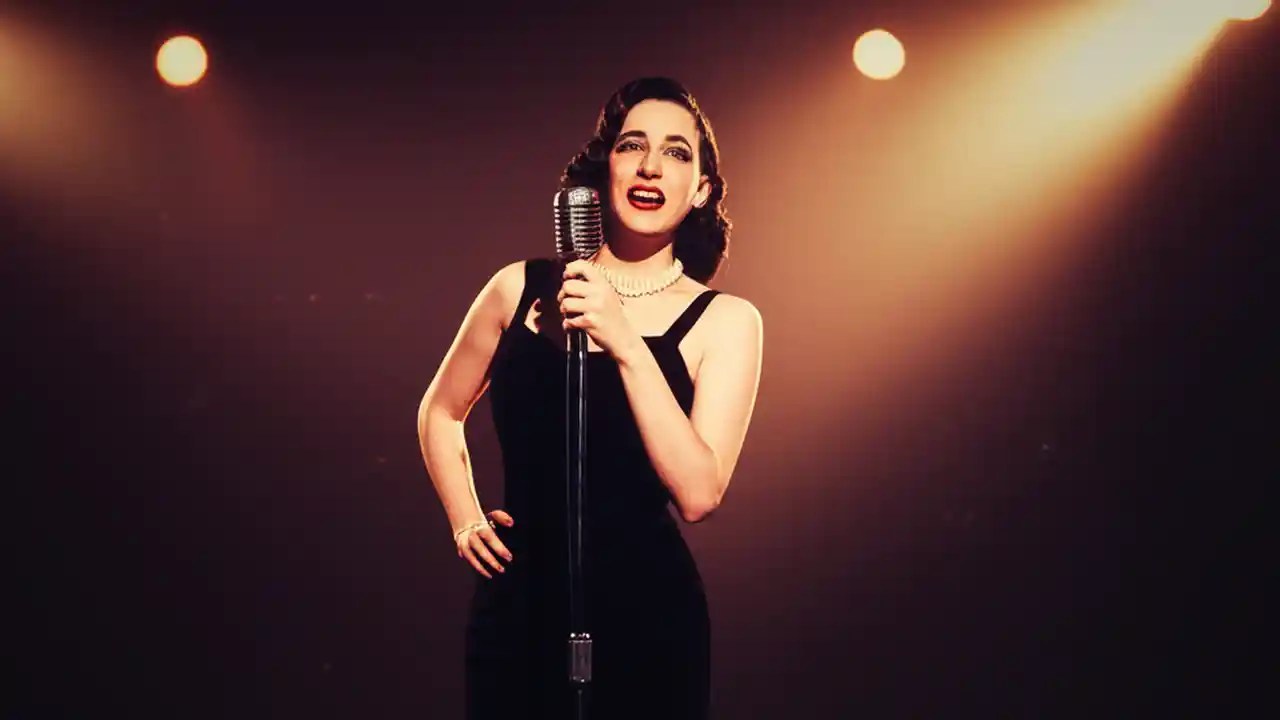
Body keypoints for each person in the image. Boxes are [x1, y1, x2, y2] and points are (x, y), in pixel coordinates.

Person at [417, 76, 763, 719]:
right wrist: (464, 517)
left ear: (701, 191)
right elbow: (440, 409)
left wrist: (625, 340)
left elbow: (699, 492)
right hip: (519, 608)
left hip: (647, 619)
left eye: (677, 152)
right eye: (633, 145)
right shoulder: (519, 289)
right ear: (605, 168)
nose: (652, 165)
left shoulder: (726, 321)